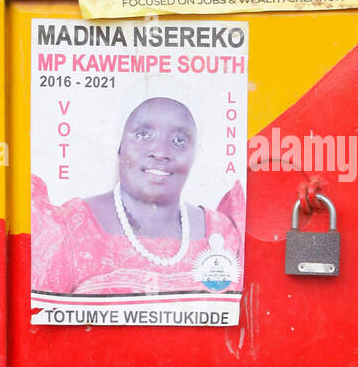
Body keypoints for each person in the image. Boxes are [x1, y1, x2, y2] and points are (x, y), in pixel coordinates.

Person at [31, 93, 244, 298]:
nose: (160, 152)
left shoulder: (223, 232)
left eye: (179, 140)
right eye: (143, 135)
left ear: (195, 154)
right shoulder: (71, 228)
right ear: (119, 145)